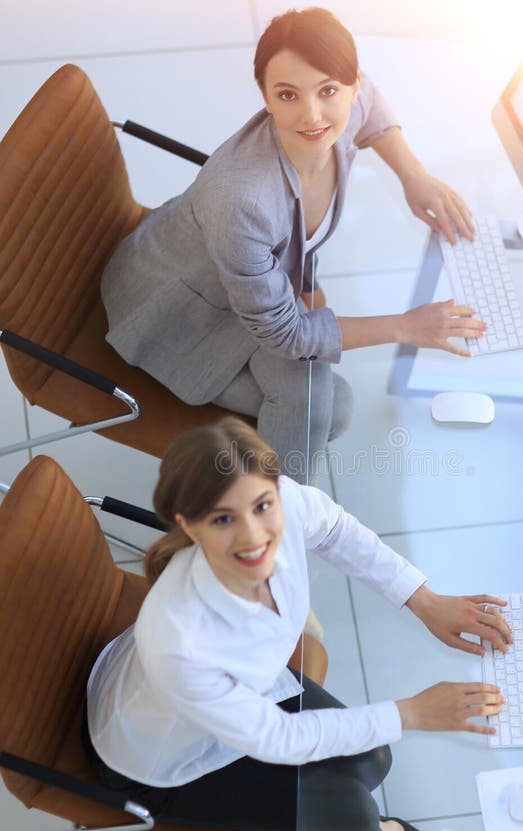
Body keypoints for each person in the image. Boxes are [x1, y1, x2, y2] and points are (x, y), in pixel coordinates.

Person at [84, 417, 511, 831]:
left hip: (230, 702)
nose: (253, 537)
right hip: (154, 762)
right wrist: (412, 712)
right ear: (189, 525)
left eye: (262, 506)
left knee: (372, 760)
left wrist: (425, 600)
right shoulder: (182, 641)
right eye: (224, 519)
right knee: (346, 807)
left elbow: (333, 530)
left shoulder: (278, 504)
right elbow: (278, 738)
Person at [101, 6, 487, 484]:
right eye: (287, 95)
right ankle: (281, 520)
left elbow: (374, 106)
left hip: (250, 288)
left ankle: (284, 504)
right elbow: (286, 336)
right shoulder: (242, 201)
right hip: (175, 310)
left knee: (334, 409)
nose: (311, 116)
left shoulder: (351, 102)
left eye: (329, 91)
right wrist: (407, 326)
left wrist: (414, 176)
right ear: (264, 96)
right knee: (317, 403)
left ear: (352, 83)